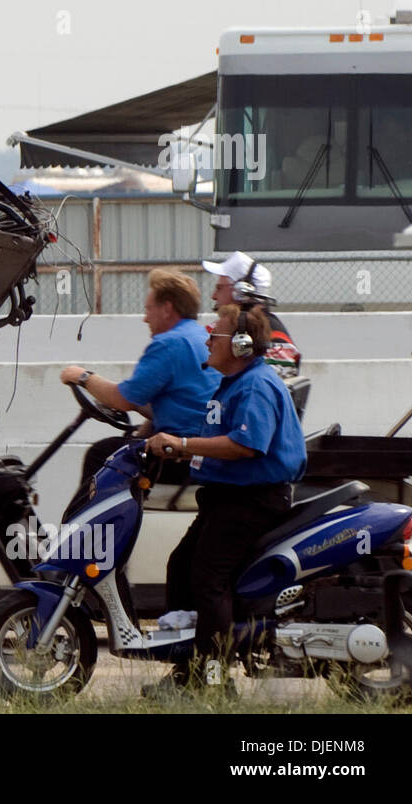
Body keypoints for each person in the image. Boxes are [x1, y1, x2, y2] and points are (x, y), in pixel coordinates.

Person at [142, 304, 307, 697]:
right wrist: (177, 449)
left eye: (214, 336)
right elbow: (219, 441)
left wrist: (181, 443)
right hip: (227, 498)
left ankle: (212, 680)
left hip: (252, 501)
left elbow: (247, 446)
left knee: (209, 580)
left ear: (240, 344)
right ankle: (188, 670)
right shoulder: (232, 384)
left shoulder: (255, 385)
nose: (207, 341)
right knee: (182, 566)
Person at [61, 269, 219, 491]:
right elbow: (172, 402)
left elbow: (121, 399)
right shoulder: (200, 336)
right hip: (201, 447)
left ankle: (85, 525)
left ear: (167, 308)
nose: (145, 318)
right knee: (129, 440)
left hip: (183, 455)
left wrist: (82, 377)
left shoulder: (168, 343)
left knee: (101, 454)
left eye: (148, 309)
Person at [202, 251, 302, 379]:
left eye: (219, 288)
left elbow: (268, 389)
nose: (214, 296)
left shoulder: (275, 339)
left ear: (240, 292)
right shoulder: (224, 327)